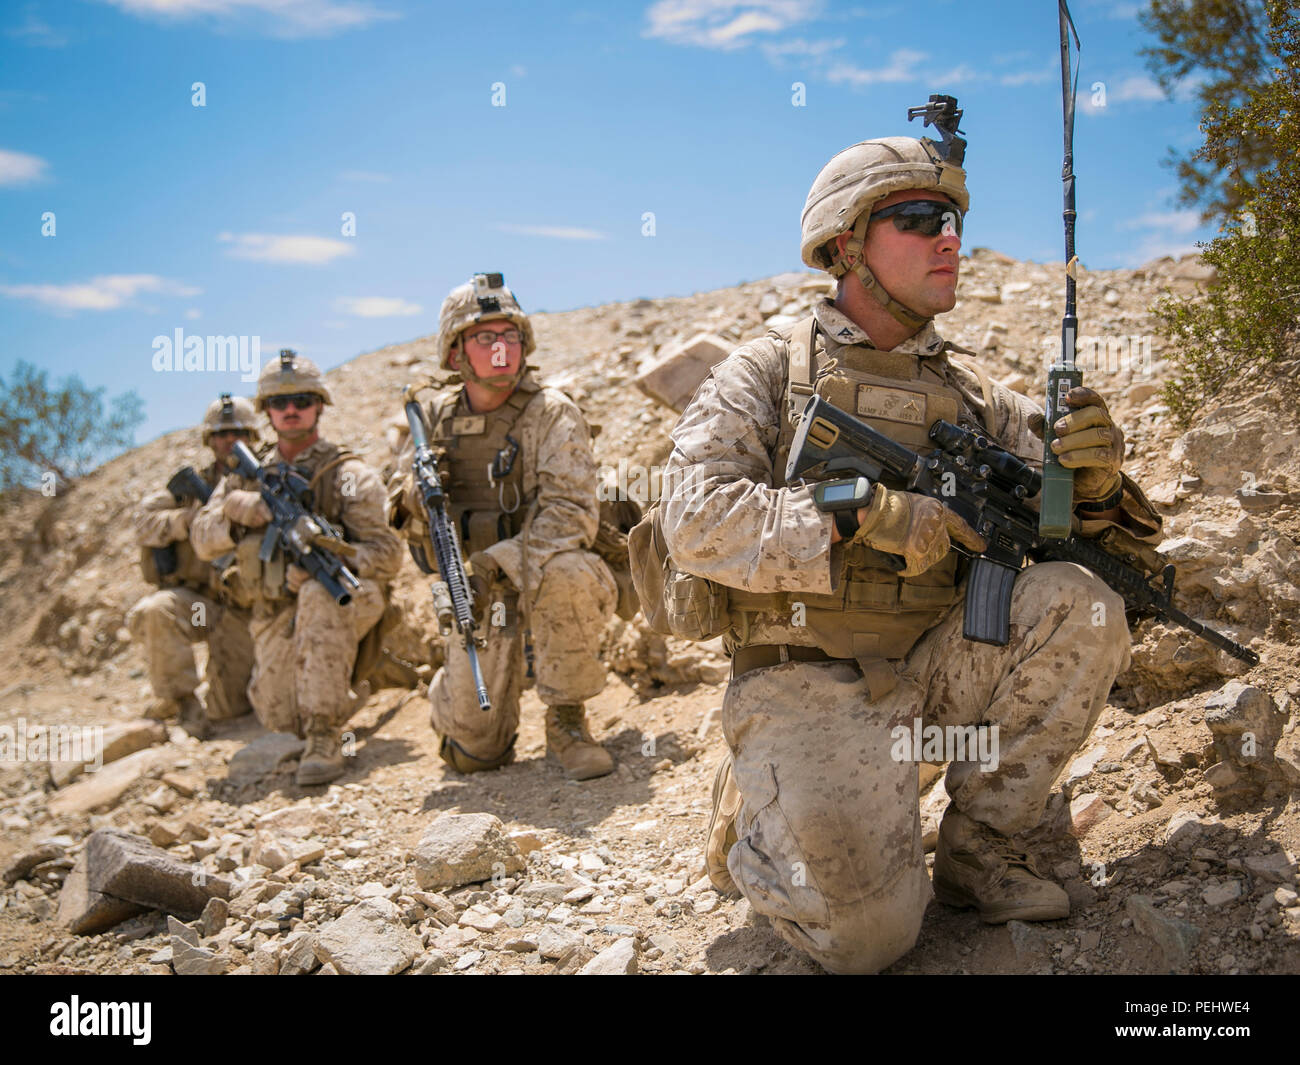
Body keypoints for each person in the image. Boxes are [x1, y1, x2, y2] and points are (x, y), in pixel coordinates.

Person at [661, 131, 1163, 973]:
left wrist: (1102, 482)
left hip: (932, 679)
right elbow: (692, 517)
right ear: (846, 243)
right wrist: (863, 514)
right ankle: (758, 814)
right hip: (804, 684)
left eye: (956, 219)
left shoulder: (976, 398)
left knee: (1082, 600)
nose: (950, 238)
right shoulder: (770, 369)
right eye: (920, 217)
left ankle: (980, 850)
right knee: (869, 941)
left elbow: (1072, 534)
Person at [387, 272, 617, 780]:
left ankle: (566, 718)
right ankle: (451, 692)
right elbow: (399, 513)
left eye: (509, 336)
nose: (500, 349)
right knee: (474, 756)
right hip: (477, 593)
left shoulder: (550, 412)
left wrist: (494, 564)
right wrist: (414, 493)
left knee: (570, 570)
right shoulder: (433, 422)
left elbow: (571, 514)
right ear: (454, 354)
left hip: (533, 573)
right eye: (485, 337)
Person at [191, 351, 402, 786]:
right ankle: (363, 675)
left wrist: (339, 557)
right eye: (279, 403)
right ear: (266, 411)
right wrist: (239, 512)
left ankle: (326, 733)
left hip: (346, 597)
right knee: (280, 718)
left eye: (302, 400)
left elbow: (388, 553)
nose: (291, 410)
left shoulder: (347, 474)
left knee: (319, 593)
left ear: (319, 405)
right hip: (274, 613)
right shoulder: (244, 476)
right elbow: (201, 538)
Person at [128, 394, 259, 739]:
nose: (230, 441)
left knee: (231, 708)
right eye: (222, 434)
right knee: (158, 610)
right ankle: (182, 702)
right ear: (209, 440)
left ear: (253, 436)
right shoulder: (191, 488)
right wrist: (189, 521)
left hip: (245, 606)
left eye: (239, 433)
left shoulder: (262, 479)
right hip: (199, 601)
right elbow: (142, 522)